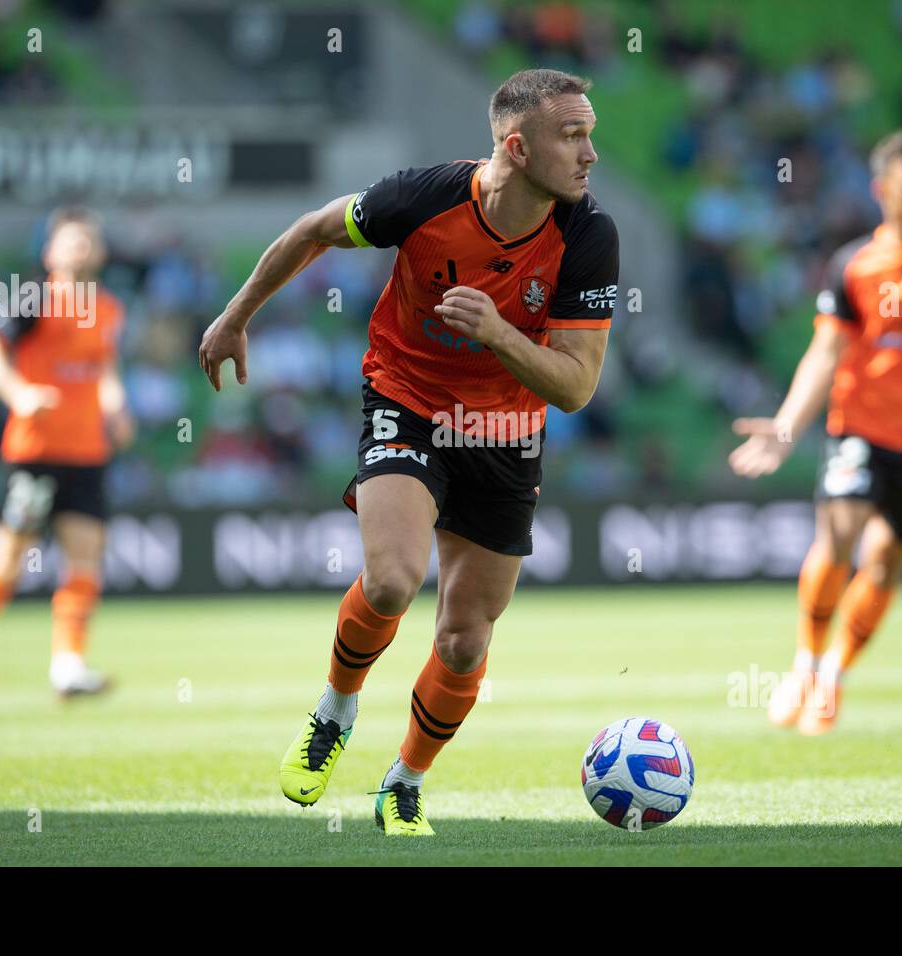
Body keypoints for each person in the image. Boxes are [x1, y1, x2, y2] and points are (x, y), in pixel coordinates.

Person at [198, 69, 619, 835]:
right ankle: (335, 709)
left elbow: (577, 387)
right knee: (392, 583)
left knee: (464, 642)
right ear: (517, 148)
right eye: (574, 135)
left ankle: (404, 781)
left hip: (507, 433)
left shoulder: (588, 235)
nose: (591, 153)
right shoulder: (421, 198)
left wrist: (496, 333)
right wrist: (235, 316)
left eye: (590, 133)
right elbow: (312, 230)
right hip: (409, 402)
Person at [730, 130, 902, 734]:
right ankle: (804, 663)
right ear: (882, 191)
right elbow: (826, 352)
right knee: (839, 535)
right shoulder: (852, 263)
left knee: (884, 563)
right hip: (860, 425)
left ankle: (834, 676)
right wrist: (788, 425)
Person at [0, 209, 132, 701]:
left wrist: (116, 408)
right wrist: (19, 394)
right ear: (49, 250)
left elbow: (104, 371)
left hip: (86, 454)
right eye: (69, 240)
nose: (79, 248)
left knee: (85, 559)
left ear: (100, 251)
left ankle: (67, 666)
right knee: (7, 565)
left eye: (88, 240)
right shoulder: (32, 298)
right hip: (34, 454)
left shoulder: (110, 308)